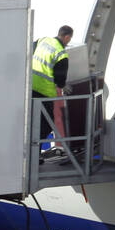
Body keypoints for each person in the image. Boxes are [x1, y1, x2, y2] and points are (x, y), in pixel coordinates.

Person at [31, 25, 73, 156]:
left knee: (32, 122)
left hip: (31, 87)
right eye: (69, 39)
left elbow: (31, 50)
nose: (69, 42)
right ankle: (35, 155)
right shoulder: (61, 54)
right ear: (66, 37)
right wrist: (64, 86)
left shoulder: (43, 40)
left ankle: (32, 155)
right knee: (46, 125)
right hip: (44, 93)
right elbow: (60, 80)